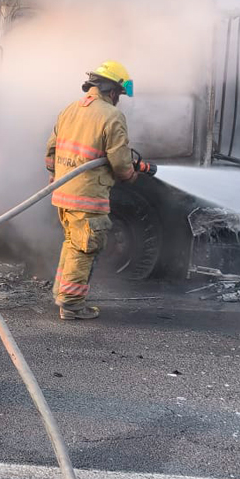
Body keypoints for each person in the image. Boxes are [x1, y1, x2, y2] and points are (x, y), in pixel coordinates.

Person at [45, 60, 151, 320]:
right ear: (112, 91)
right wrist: (131, 174)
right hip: (88, 196)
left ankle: (63, 293)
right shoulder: (111, 116)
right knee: (85, 248)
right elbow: (120, 162)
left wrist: (54, 175)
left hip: (63, 194)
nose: (119, 100)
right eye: (119, 94)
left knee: (73, 244)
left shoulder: (69, 110)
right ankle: (71, 305)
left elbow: (51, 151)